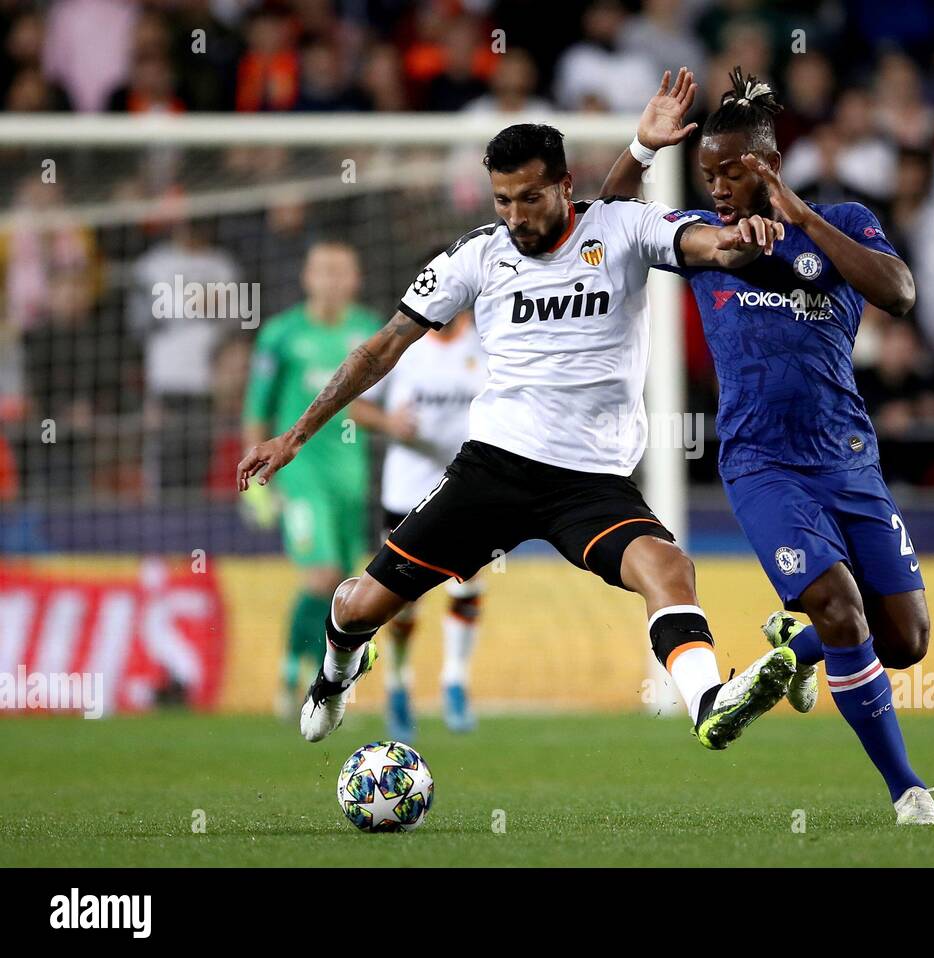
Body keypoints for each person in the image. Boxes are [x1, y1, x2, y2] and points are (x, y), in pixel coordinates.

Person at [238, 115, 796, 753]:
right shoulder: (477, 254)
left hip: (590, 483)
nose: (516, 216)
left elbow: (712, 246)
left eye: (530, 198)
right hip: (493, 470)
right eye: (502, 200)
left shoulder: (625, 227)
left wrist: (744, 235)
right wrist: (295, 435)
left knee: (669, 567)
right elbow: (381, 348)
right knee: (359, 607)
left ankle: (708, 705)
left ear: (564, 184)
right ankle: (336, 673)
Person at [601, 67, 934, 824]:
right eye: (706, 173)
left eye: (731, 171)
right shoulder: (700, 239)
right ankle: (907, 789)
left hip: (848, 459)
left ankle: (796, 643)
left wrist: (802, 218)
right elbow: (601, 223)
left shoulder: (846, 219)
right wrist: (640, 148)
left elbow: (900, 294)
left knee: (907, 641)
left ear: (769, 165)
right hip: (761, 464)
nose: (717, 186)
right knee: (842, 608)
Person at [242, 242, 383, 717]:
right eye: (323, 270)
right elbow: (256, 410)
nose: (332, 279)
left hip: (351, 478)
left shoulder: (367, 330)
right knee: (321, 575)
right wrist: (257, 482)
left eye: (341, 270)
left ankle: (318, 675)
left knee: (346, 590)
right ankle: (292, 669)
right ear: (306, 277)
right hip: (300, 476)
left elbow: (368, 406)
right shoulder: (281, 335)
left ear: (355, 278)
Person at [350, 311, 487, 737]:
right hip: (407, 489)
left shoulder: (486, 342)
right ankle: (398, 687)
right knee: (402, 598)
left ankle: (455, 683)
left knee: (467, 586)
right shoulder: (404, 346)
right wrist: (389, 422)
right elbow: (355, 404)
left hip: (466, 486)